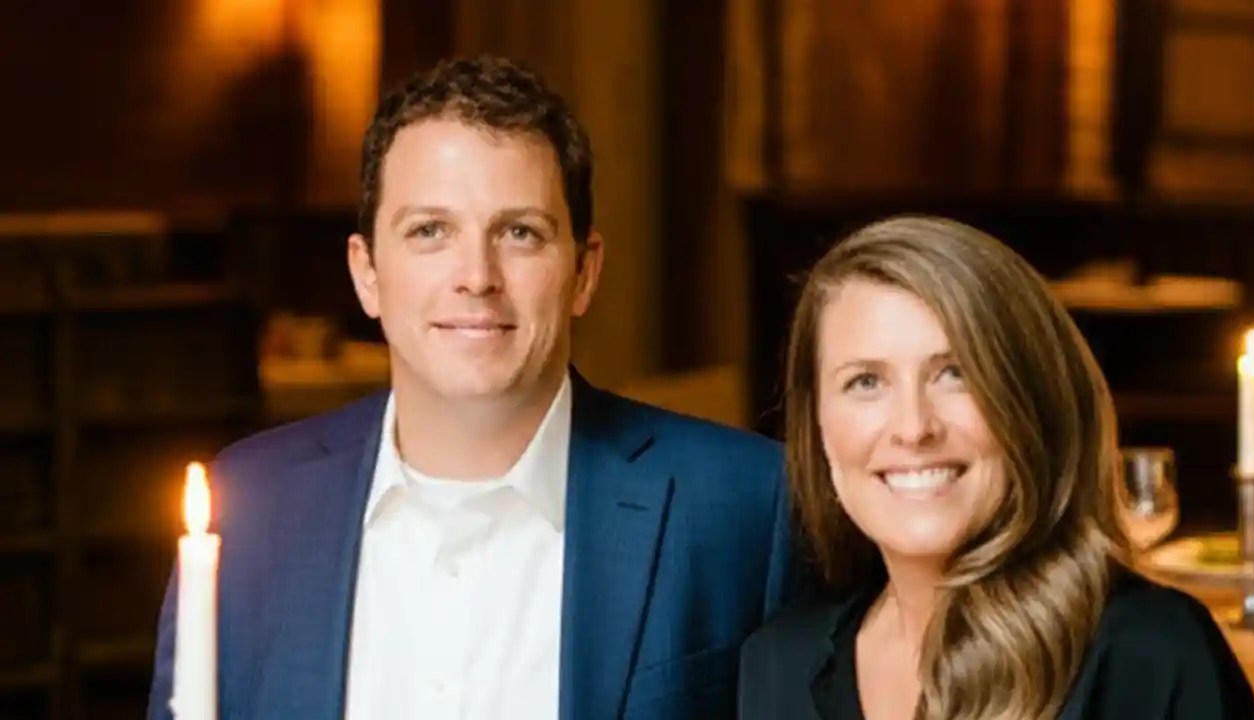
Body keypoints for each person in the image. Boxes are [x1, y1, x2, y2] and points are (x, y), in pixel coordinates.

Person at [146, 55, 793, 720]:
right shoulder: (251, 507)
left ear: (584, 272)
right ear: (366, 273)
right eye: (430, 231)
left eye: (519, 233)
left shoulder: (743, 505)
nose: (477, 277)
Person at [739, 216, 1254, 719]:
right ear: (819, 427)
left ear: (1034, 403)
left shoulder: (1152, 656)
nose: (914, 427)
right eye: (866, 382)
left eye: (955, 373)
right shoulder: (779, 666)